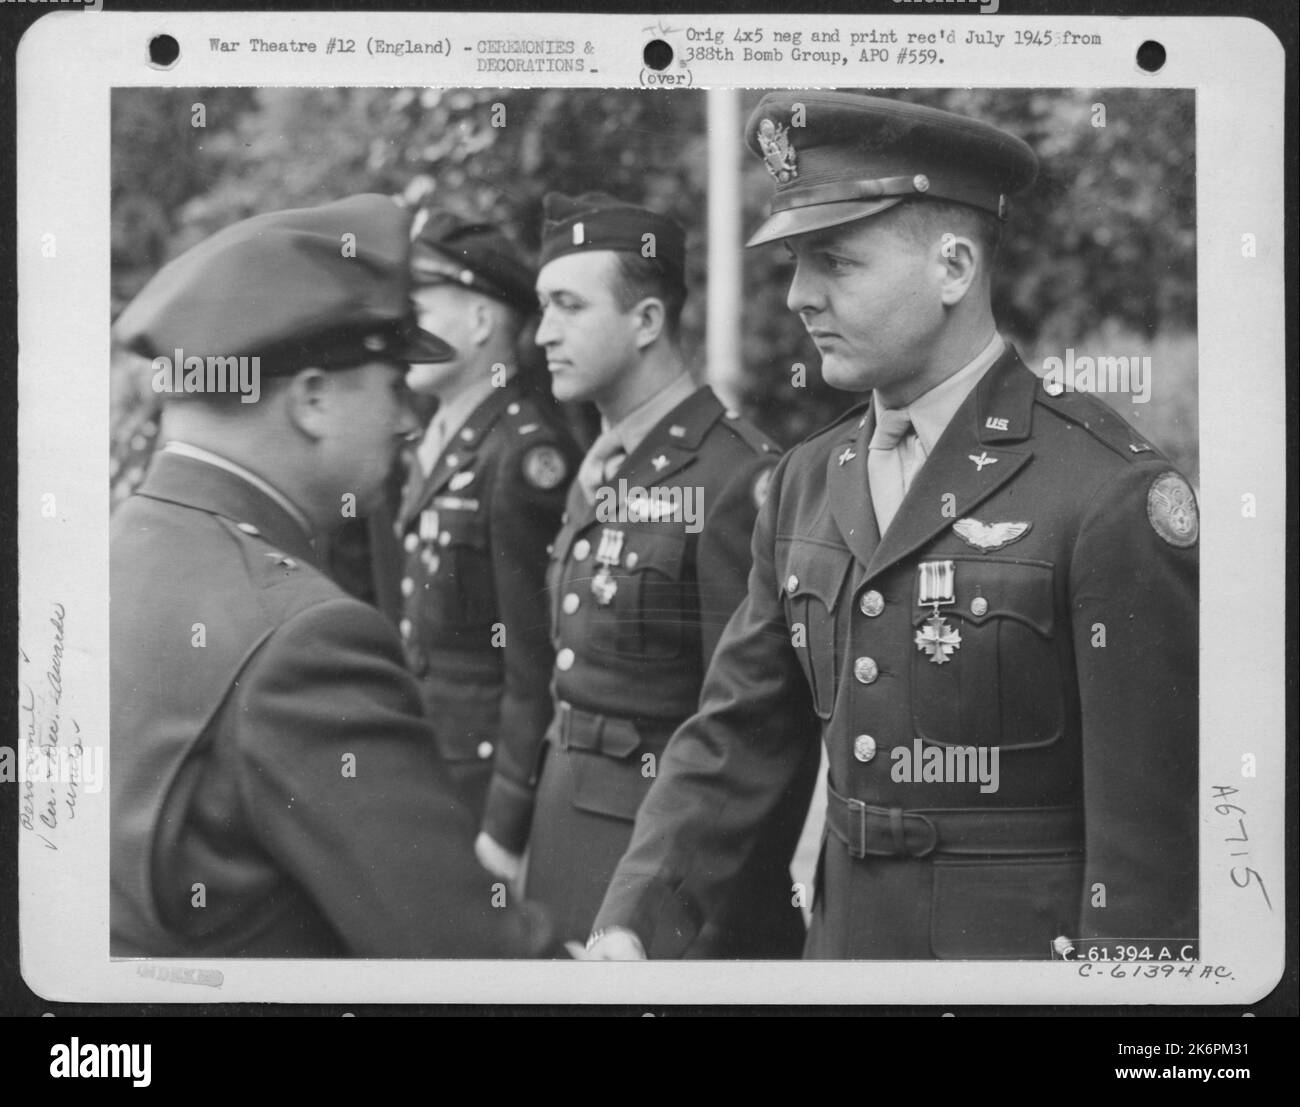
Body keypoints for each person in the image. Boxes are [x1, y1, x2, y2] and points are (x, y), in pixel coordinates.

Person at [587, 92, 1199, 960]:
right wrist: (635, 920)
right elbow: (740, 734)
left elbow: (1151, 848)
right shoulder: (806, 480)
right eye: (797, 262)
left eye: (836, 261)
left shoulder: (1104, 491)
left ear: (953, 268)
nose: (800, 296)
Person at [110, 194, 554, 958]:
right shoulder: (306, 641)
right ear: (313, 399)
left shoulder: (121, 544)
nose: (407, 419)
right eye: (390, 386)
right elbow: (467, 960)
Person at [522, 191, 816, 957]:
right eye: (541, 307)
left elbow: (758, 734)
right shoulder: (603, 464)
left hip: (672, 907)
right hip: (565, 858)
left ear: (647, 321)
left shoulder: (734, 478)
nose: (543, 332)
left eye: (567, 306)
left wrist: (676, 927)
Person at [388, 209, 578, 880]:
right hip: (429, 771)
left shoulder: (523, 455)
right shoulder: (432, 437)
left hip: (481, 787)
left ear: (478, 323)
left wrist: (504, 830)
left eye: (419, 308)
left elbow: (536, 670)